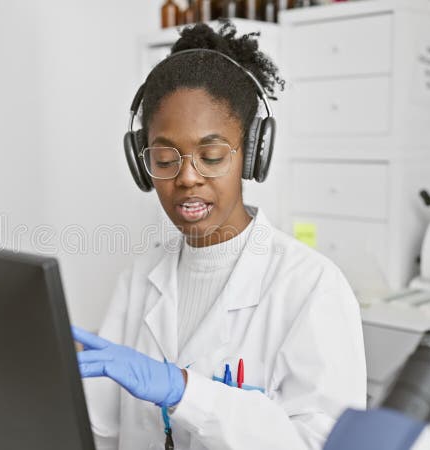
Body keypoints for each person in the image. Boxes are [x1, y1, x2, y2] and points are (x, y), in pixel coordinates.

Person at [72, 21, 366, 450]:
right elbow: (99, 433)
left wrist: (187, 392)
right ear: (142, 163)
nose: (188, 177)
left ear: (252, 153)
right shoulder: (138, 279)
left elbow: (324, 445)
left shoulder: (312, 287)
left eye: (211, 155)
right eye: (164, 158)